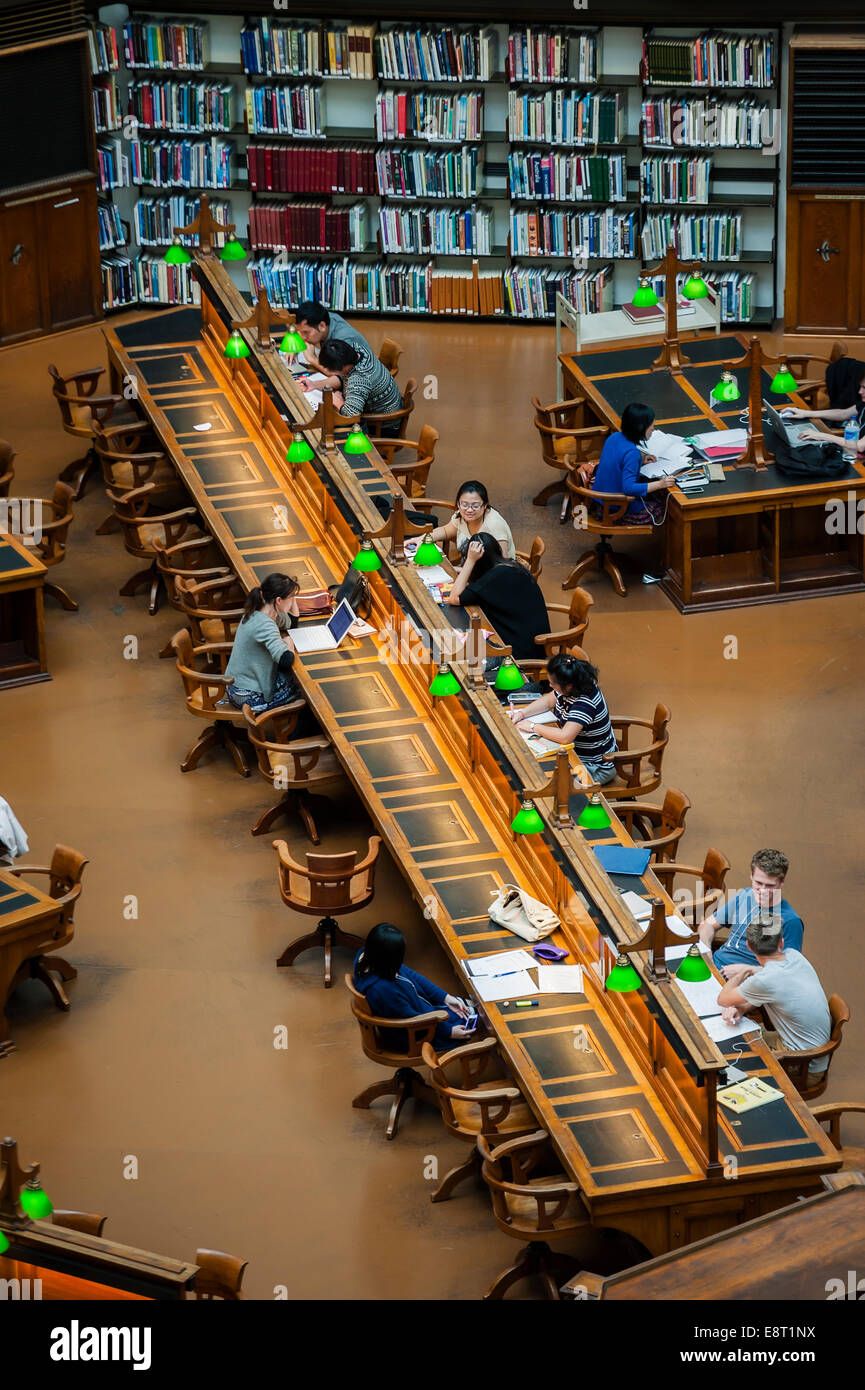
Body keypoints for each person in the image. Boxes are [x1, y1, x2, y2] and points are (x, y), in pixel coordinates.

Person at [716, 918, 831, 1077]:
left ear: (749, 947)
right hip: (811, 1052)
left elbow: (723, 998)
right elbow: (770, 992)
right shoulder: (795, 956)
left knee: (727, 1050)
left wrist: (743, 971)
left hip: (802, 1066)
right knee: (747, 1030)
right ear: (782, 943)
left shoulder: (764, 980)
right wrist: (741, 1008)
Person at [353, 923, 475, 1050]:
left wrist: (445, 997)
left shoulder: (370, 956)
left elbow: (410, 974)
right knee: (472, 1016)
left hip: (419, 1009)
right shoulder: (383, 990)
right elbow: (413, 1019)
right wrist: (448, 1031)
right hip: (413, 1034)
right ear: (389, 959)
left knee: (467, 1008)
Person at [506, 652, 618, 785]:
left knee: (543, 782)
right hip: (573, 753)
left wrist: (532, 726)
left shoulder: (585, 703)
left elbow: (565, 737)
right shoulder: (573, 684)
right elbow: (548, 700)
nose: (550, 685)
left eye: (553, 683)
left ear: (568, 686)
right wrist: (522, 714)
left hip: (594, 766)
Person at [698, 848, 804, 979]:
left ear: (782, 882)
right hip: (713, 967)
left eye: (770, 885)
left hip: (745, 984)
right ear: (751, 876)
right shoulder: (745, 895)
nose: (763, 891)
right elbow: (707, 925)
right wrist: (706, 951)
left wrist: (747, 970)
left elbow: (789, 972)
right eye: (758, 883)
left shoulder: (790, 921)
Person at [447, 532, 548, 662]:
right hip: (528, 638)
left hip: (518, 650)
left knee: (463, 655)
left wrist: (470, 560)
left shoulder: (494, 578)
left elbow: (454, 598)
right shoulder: (509, 566)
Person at [225, 573, 300, 714]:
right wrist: (288, 644)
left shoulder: (260, 610)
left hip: (235, 683)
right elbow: (286, 659)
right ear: (278, 600)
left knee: (292, 680)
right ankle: (291, 734)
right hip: (247, 695)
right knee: (301, 691)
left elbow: (291, 624)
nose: (293, 601)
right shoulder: (265, 624)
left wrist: (291, 596)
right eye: (292, 598)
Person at [590, 402, 678, 521]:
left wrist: (640, 462)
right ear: (640, 428)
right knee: (663, 507)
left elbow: (616, 463)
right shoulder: (632, 453)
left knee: (653, 494)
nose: (653, 428)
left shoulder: (614, 437)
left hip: (599, 501)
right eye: (650, 425)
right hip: (614, 508)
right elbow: (629, 488)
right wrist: (660, 484)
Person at [307, 338, 403, 436]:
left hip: (382, 426)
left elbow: (351, 416)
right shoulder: (358, 349)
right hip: (382, 408)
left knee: (322, 430)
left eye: (332, 370)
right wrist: (314, 385)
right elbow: (342, 377)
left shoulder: (359, 380)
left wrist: (337, 401)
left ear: (342, 368)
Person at [427, 480, 516, 561]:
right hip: (468, 570)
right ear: (458, 504)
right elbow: (446, 531)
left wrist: (458, 571)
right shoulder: (461, 515)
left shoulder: (494, 525)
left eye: (475, 505)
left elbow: (501, 566)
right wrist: (424, 539)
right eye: (464, 504)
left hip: (490, 575)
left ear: (485, 505)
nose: (469, 510)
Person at [292, 300, 371, 387]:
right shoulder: (323, 318)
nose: (303, 337)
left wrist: (312, 359)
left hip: (361, 382)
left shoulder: (343, 340)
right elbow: (300, 328)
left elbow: (339, 375)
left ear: (322, 326)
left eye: (306, 333)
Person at [784, 367, 865, 451]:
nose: (860, 392)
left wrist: (822, 436)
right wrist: (805, 413)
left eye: (864, 388)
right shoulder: (863, 403)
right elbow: (844, 413)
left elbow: (860, 446)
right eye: (861, 387)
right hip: (850, 449)